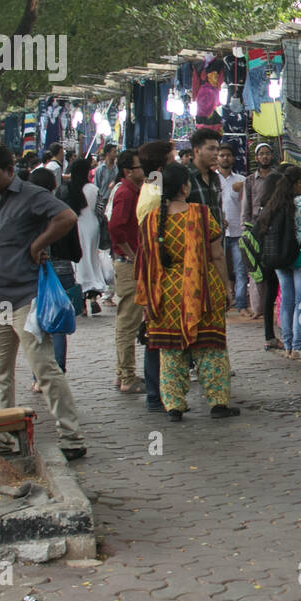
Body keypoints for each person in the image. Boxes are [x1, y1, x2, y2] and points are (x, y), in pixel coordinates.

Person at [0, 145, 87, 460]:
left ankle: (71, 435)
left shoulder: (30, 195)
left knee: (44, 367)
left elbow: (65, 217)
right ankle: (4, 438)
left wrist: (38, 244)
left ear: (9, 169)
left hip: (26, 297)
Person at [136, 162, 237, 420]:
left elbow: (145, 263)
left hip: (165, 294)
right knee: (210, 348)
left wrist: (147, 302)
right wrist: (226, 287)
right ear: (185, 187)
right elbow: (216, 255)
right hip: (201, 290)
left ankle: (174, 407)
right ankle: (218, 404)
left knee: (171, 353)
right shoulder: (200, 214)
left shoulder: (150, 221)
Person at [258, 164, 301, 359]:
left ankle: (287, 344)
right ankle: (298, 346)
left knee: (286, 302)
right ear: (298, 183)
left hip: (280, 258)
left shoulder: (274, 202)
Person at [134, 139, 177, 411]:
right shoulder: (155, 193)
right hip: (156, 269)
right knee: (156, 333)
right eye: (173, 158)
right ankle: (155, 394)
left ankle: (161, 392)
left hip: (154, 267)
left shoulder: (152, 188)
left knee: (158, 332)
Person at [28, 167, 79, 382]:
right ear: (54, 185)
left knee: (37, 323)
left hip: (36, 275)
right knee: (57, 325)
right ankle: (57, 370)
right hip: (63, 271)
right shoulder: (63, 211)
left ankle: (38, 377)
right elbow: (76, 251)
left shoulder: (28, 214)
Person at [107, 149, 146, 393]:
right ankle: (127, 376)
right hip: (127, 264)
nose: (144, 170)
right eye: (139, 167)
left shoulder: (131, 191)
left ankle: (122, 373)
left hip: (128, 261)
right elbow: (116, 228)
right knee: (128, 321)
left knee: (127, 320)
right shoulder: (125, 193)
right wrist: (131, 255)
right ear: (128, 171)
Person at [243, 142, 278, 333]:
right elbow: (246, 205)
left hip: (272, 226)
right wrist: (245, 228)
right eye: (261, 154)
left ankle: (270, 307)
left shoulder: (277, 177)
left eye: (267, 153)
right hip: (255, 227)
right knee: (255, 269)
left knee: (270, 271)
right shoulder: (250, 180)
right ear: (256, 158)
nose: (264, 157)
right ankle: (258, 308)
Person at [64, 156, 105, 314]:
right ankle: (94, 296)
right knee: (91, 259)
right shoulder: (93, 189)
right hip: (92, 226)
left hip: (75, 227)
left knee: (77, 262)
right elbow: (100, 210)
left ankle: (80, 300)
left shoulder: (68, 188)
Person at [217, 142, 248, 313]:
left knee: (240, 269)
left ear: (233, 158)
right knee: (219, 269)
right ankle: (221, 303)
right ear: (217, 158)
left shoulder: (241, 180)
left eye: (228, 155)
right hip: (218, 233)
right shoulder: (212, 180)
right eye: (222, 155)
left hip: (238, 231)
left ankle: (241, 304)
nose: (225, 158)